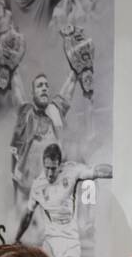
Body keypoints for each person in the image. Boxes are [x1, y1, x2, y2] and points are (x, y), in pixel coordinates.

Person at [9, 72, 80, 209]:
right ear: (32, 92)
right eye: (40, 86)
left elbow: (69, 85)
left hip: (50, 192)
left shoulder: (56, 111)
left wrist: (75, 72)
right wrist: (13, 68)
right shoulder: (25, 113)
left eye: (46, 86)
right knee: (18, 227)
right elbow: (16, 84)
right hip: (25, 190)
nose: (44, 88)